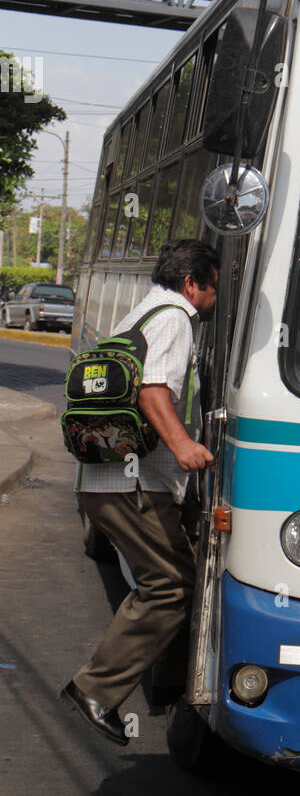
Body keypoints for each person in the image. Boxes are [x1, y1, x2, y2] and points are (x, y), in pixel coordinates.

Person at [60, 239, 219, 745]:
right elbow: (153, 390)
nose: (215, 299)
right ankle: (95, 690)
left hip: (106, 481)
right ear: (192, 283)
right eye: (214, 286)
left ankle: (172, 685)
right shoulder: (174, 316)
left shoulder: (142, 311)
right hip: (136, 485)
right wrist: (184, 445)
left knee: (178, 576)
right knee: (170, 586)